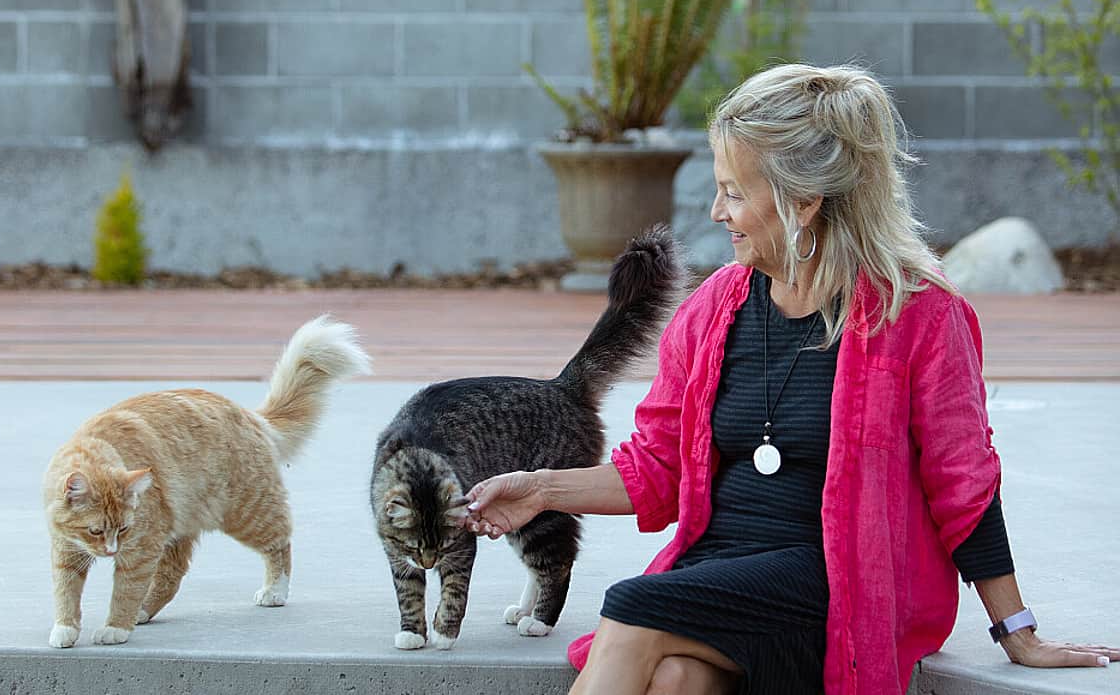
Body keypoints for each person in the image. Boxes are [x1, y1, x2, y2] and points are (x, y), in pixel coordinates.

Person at [462, 64, 1119, 695]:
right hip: (717, 569)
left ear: (801, 202)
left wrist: (1016, 629)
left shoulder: (918, 315)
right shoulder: (712, 310)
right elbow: (656, 468)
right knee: (674, 680)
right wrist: (542, 489)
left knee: (633, 605)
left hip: (838, 580)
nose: (718, 211)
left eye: (734, 191)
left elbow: (965, 485)